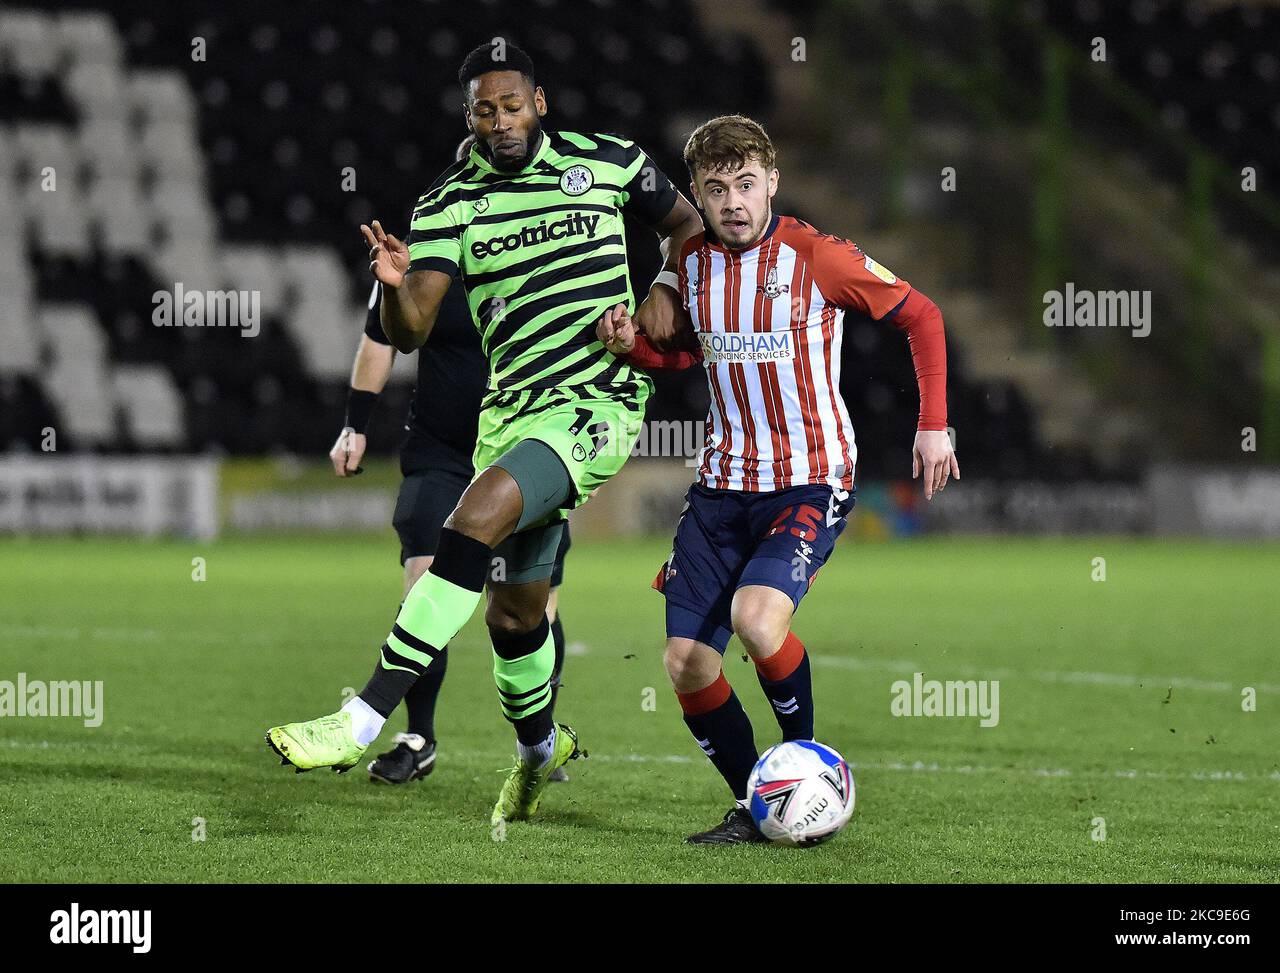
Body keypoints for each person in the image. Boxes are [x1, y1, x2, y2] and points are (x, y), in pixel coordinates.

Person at [267, 41, 703, 828]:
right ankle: (540, 749)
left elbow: (686, 225)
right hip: (508, 415)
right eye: (483, 109)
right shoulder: (445, 204)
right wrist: (396, 290)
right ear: (467, 116)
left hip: (598, 401)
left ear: (542, 102)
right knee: (514, 613)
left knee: (466, 522)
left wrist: (665, 290)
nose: (499, 121)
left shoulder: (608, 161)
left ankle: (363, 718)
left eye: (511, 104)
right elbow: (412, 329)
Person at [597, 114, 958, 843]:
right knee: (686, 662)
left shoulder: (815, 255)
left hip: (808, 478)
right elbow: (692, 360)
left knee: (758, 621)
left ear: (772, 183)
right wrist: (634, 349)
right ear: (697, 192)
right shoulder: (691, 263)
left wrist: (933, 422)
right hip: (720, 487)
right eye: (717, 187)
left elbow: (922, 315)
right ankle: (761, 802)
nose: (733, 201)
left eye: (747, 184)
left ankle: (812, 770)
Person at [328, 135, 574, 785]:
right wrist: (355, 424)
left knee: (530, 610)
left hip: (528, 455)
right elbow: (381, 337)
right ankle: (418, 734)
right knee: (423, 584)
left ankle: (540, 741)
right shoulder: (432, 258)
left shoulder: (544, 252)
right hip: (441, 453)